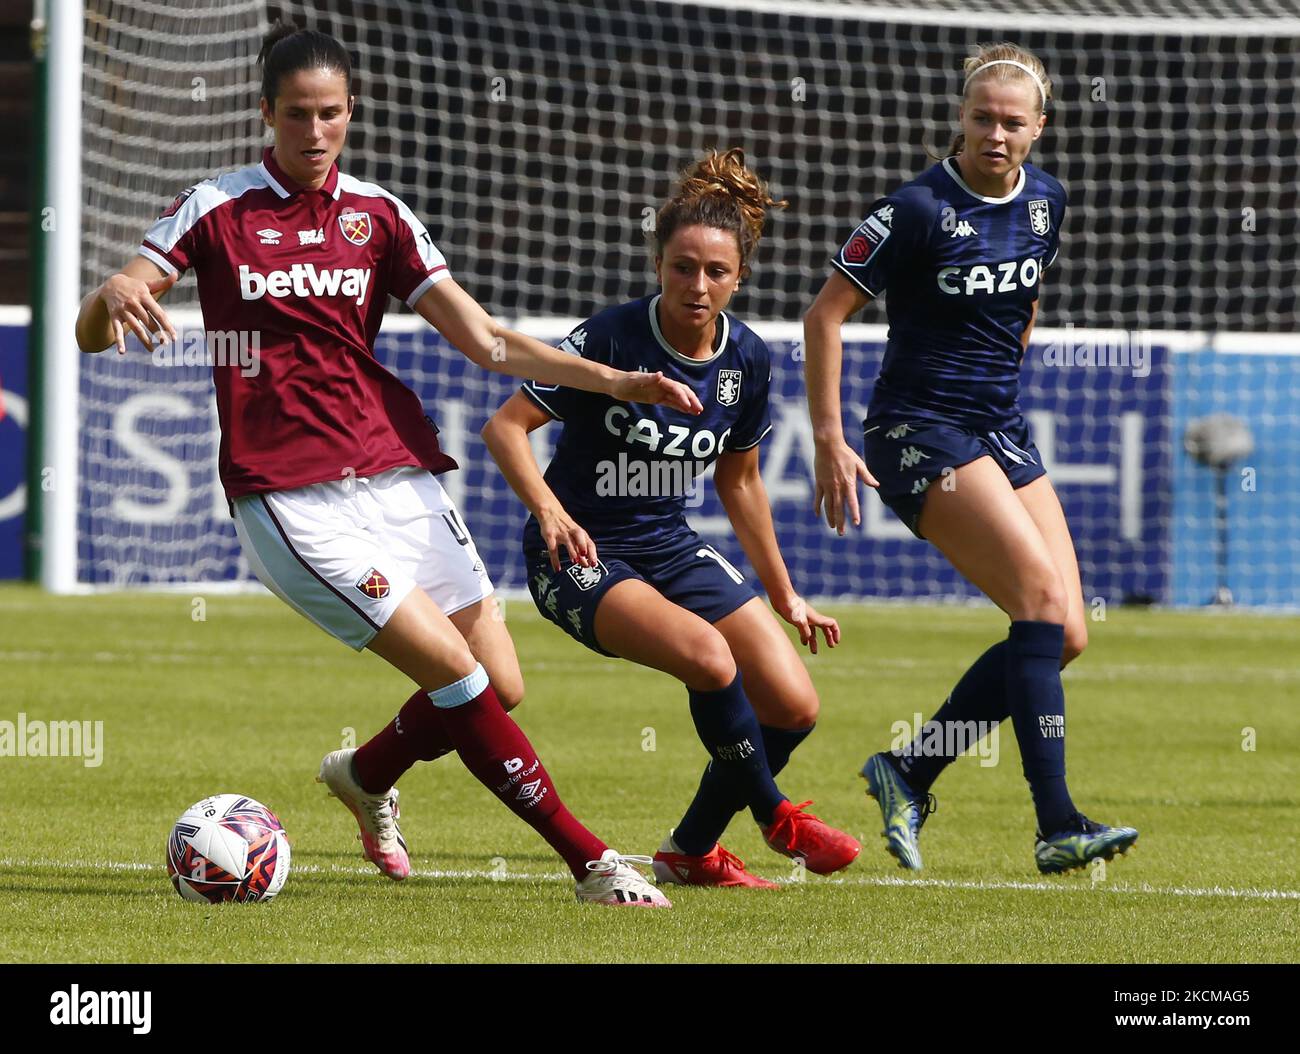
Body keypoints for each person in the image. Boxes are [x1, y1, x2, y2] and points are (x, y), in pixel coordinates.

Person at [73, 22, 710, 907]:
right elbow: (94, 326)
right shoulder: (216, 207)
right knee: (460, 678)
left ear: (351, 113)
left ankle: (364, 775)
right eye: (296, 114)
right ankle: (593, 863)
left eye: (330, 113)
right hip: (289, 498)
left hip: (395, 473)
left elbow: (485, 338)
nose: (314, 131)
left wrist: (613, 379)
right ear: (266, 114)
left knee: (501, 684)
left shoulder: (379, 215)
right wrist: (110, 295)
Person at [482, 149, 860, 890]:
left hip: (667, 546)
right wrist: (550, 510)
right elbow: (504, 427)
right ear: (659, 263)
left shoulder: (746, 360)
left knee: (792, 703)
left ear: (739, 279)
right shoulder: (613, 339)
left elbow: (742, 483)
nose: (697, 284)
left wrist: (784, 595)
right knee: (711, 661)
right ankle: (777, 814)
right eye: (683, 266)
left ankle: (690, 851)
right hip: (580, 552)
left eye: (715, 272)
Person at [803, 43, 1138, 874]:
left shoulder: (1048, 202)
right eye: (982, 117)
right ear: (961, 118)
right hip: (919, 430)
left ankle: (908, 770)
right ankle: (1056, 821)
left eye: (1012, 122)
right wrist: (830, 437)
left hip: (998, 425)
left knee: (1065, 632)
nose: (995, 133)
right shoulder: (914, 209)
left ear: (1039, 128)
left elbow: (1023, 302)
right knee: (1036, 598)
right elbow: (824, 316)